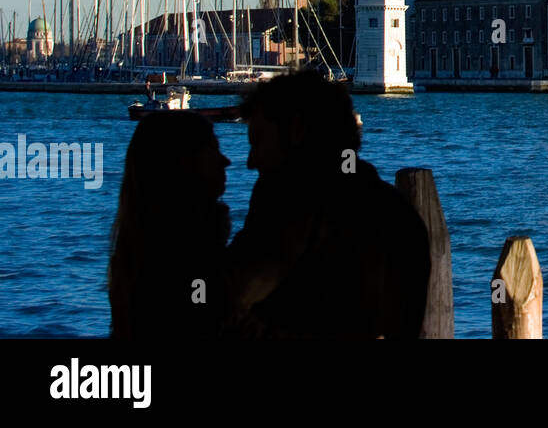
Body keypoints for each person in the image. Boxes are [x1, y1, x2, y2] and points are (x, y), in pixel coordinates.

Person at [226, 72, 430, 338]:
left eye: (258, 141)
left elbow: (233, 293)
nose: (251, 160)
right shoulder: (399, 215)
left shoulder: (289, 201)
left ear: (297, 130)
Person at [108, 112, 232, 338]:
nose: (226, 161)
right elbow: (201, 314)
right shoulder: (191, 254)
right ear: (183, 161)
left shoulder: (137, 250)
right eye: (212, 149)